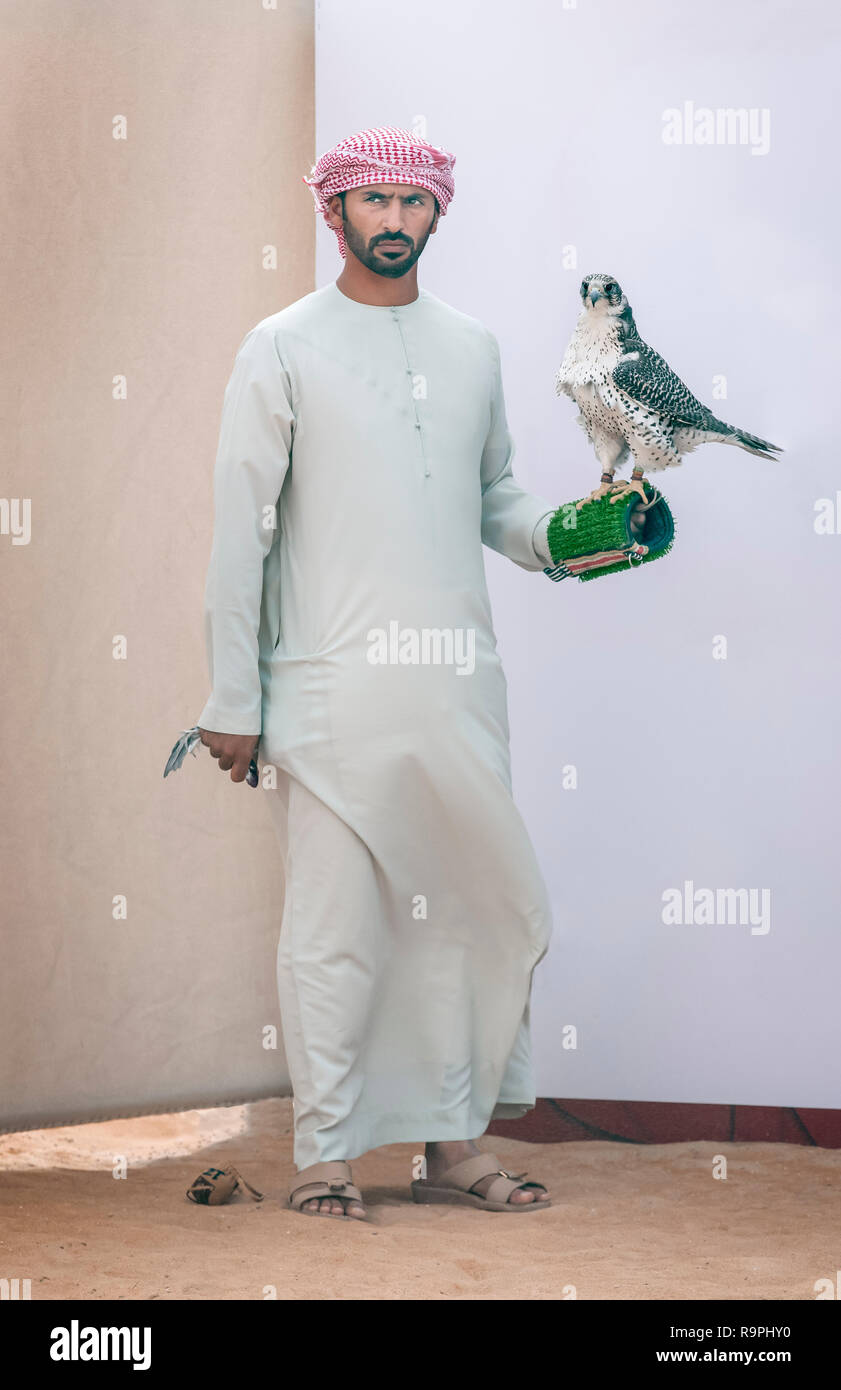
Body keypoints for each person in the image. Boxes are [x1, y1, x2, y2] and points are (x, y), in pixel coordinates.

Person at [197, 126, 559, 1220]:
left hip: (456, 695)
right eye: (372, 202)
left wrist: (577, 536)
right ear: (334, 214)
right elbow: (237, 537)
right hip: (326, 697)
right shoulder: (282, 345)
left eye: (412, 204)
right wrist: (232, 698)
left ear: (437, 214)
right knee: (336, 932)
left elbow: (496, 500)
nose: (393, 221)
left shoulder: (474, 347)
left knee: (470, 917)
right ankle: (325, 1158)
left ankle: (453, 1147)